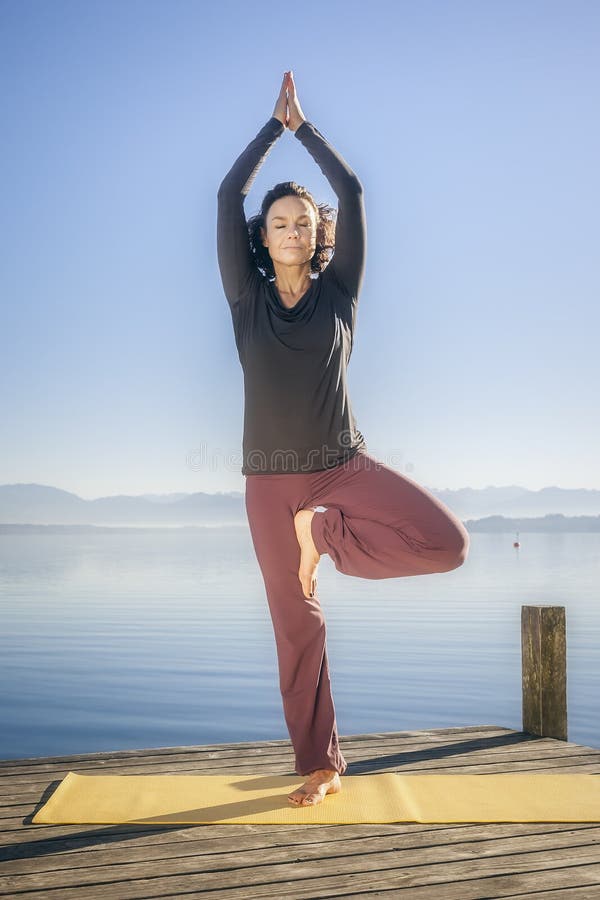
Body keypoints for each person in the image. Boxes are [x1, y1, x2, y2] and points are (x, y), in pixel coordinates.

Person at [216, 71, 470, 808]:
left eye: (303, 221)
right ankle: (320, 763)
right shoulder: (245, 299)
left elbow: (353, 192)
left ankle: (322, 537)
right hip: (269, 483)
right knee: (297, 625)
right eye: (279, 223)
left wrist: (307, 131)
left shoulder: (341, 293)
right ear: (261, 240)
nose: (292, 231)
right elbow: (225, 197)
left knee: (446, 544)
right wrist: (270, 130)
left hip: (341, 469)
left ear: (318, 234)